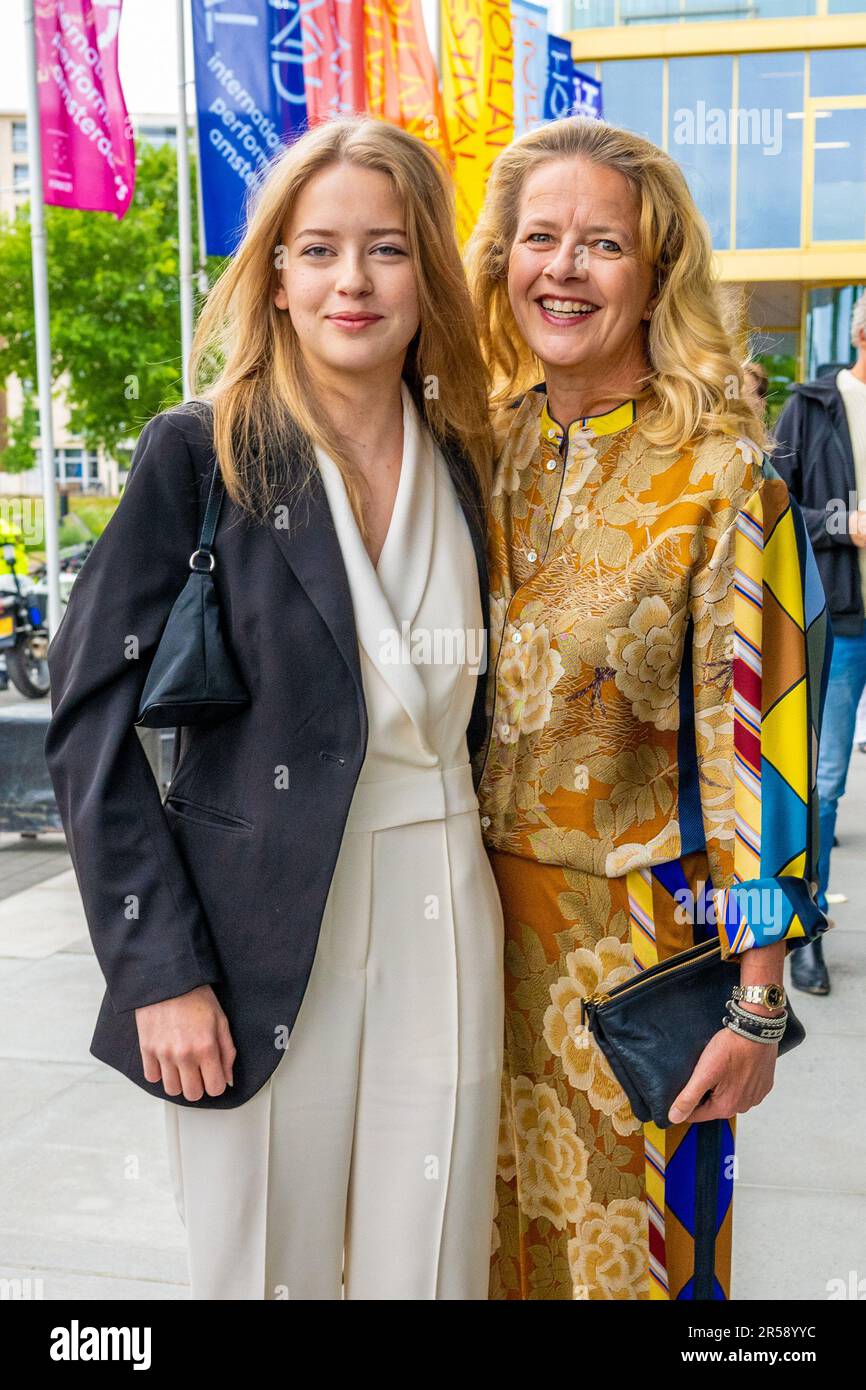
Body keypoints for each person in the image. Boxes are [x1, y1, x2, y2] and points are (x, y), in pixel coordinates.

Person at [44, 116, 505, 1301]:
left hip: (443, 898)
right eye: (317, 250)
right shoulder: (199, 451)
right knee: (265, 1275)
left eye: (388, 249)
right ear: (278, 277)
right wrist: (157, 969)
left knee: (432, 1259)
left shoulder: (468, 453)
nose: (352, 281)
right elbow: (89, 721)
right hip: (248, 926)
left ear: (428, 275)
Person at [465, 117, 831, 1301]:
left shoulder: (724, 471)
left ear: (654, 272)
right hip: (465, 953)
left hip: (637, 962)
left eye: (601, 244)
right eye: (539, 238)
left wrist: (758, 1000)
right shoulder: (475, 451)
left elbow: (760, 748)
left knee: (639, 1280)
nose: (562, 268)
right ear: (499, 261)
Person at [773, 294, 866, 995]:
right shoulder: (811, 407)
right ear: (860, 333)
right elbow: (776, 503)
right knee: (825, 783)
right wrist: (842, 525)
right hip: (844, 622)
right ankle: (806, 940)